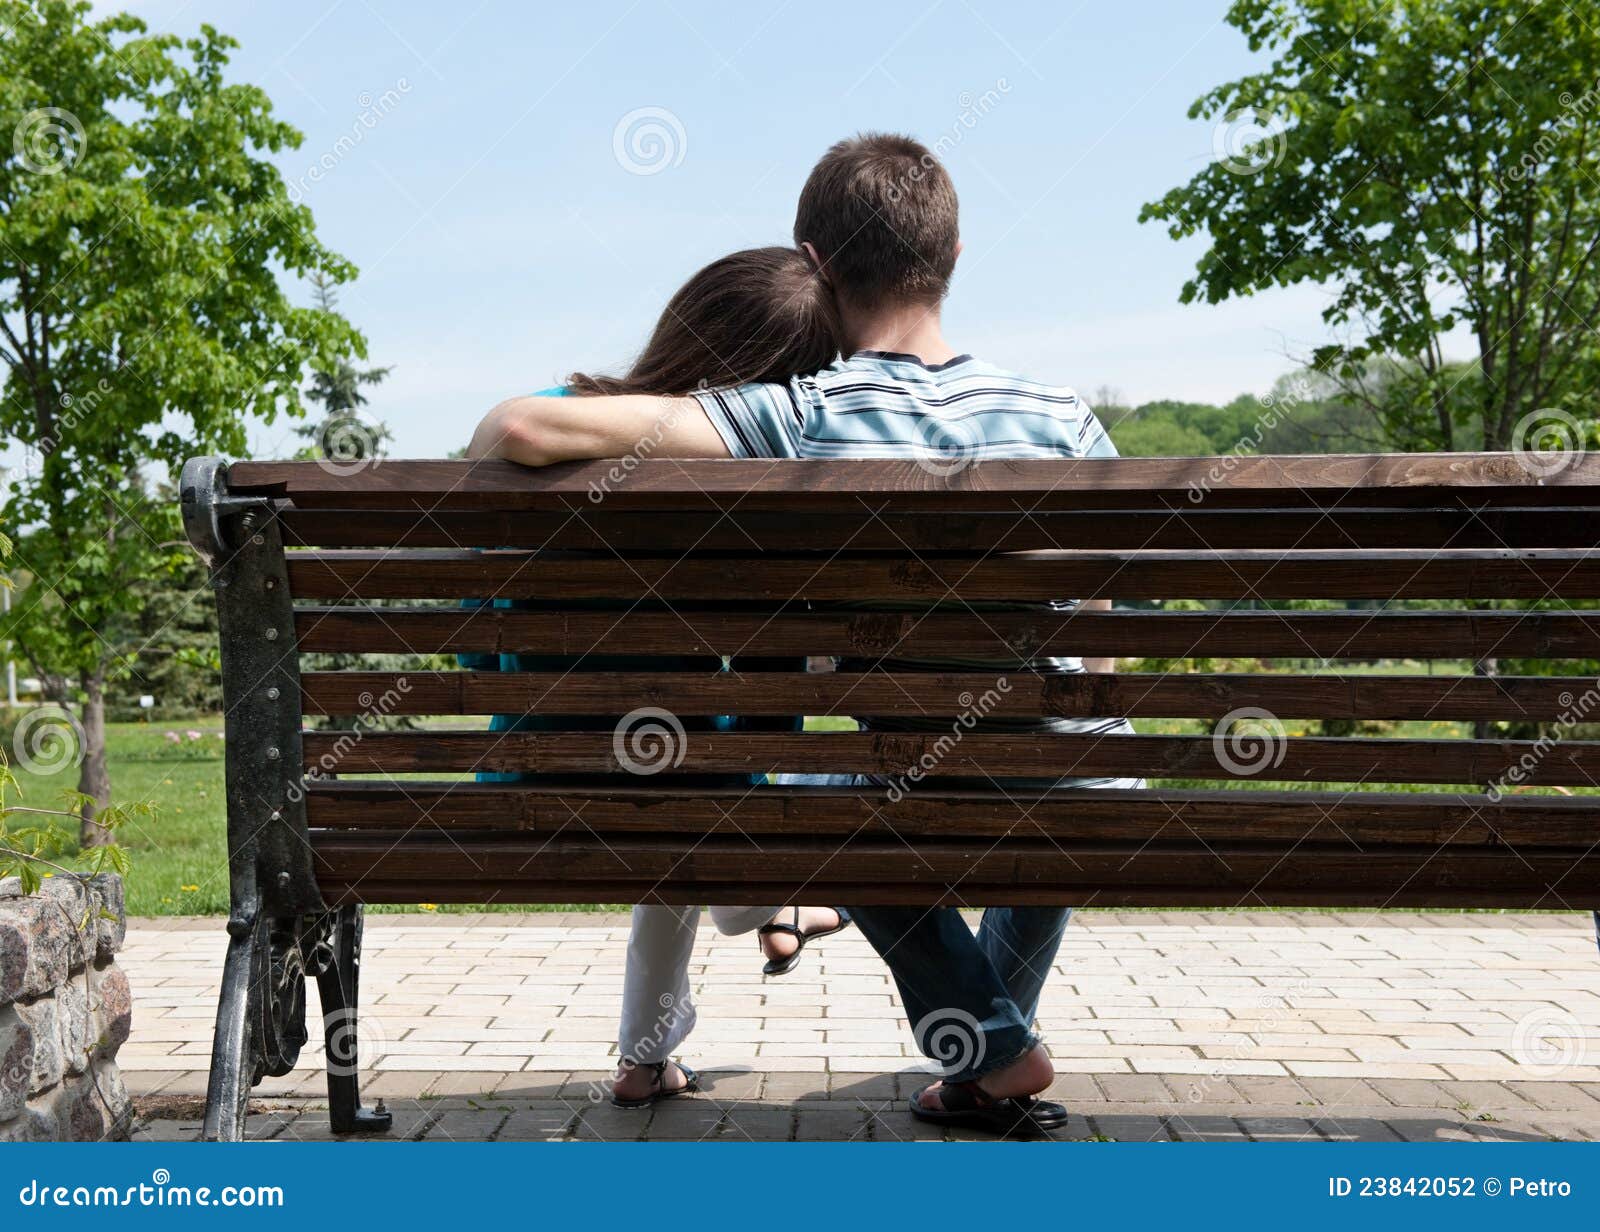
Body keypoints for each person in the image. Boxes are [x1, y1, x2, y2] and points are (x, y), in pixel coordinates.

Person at [468, 133, 1138, 1136]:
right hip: (1059, 778)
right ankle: (986, 1049)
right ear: (953, 258)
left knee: (826, 785)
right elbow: (1103, 629)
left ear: (816, 267)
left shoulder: (797, 413)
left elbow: (523, 431)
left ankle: (992, 1046)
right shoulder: (1060, 416)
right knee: (1066, 767)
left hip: (897, 772)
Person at [460, 246, 849, 1108]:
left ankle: (649, 1055)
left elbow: (477, 614)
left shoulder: (565, 424)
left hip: (534, 778)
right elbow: (784, 676)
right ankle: (772, 904)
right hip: (701, 796)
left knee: (667, 776)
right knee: (702, 778)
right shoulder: (775, 465)